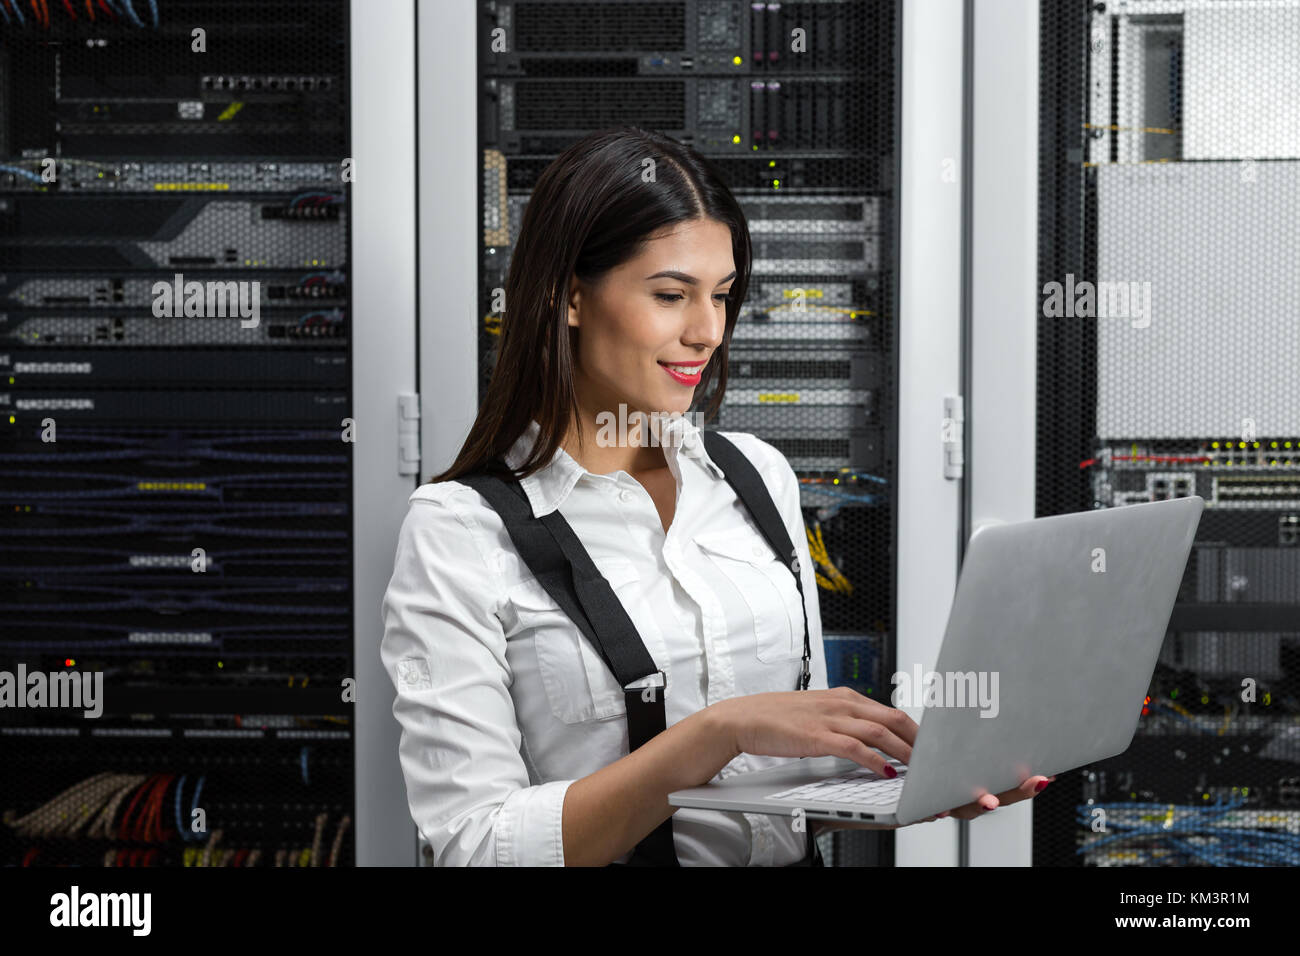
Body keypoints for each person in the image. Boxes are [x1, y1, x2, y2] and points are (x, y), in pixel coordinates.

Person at [379, 125, 1052, 866]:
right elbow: (475, 846)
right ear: (568, 296)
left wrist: (914, 778)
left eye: (723, 296)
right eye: (671, 295)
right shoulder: (460, 532)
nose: (707, 331)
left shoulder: (756, 476)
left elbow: (787, 793)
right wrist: (717, 732)